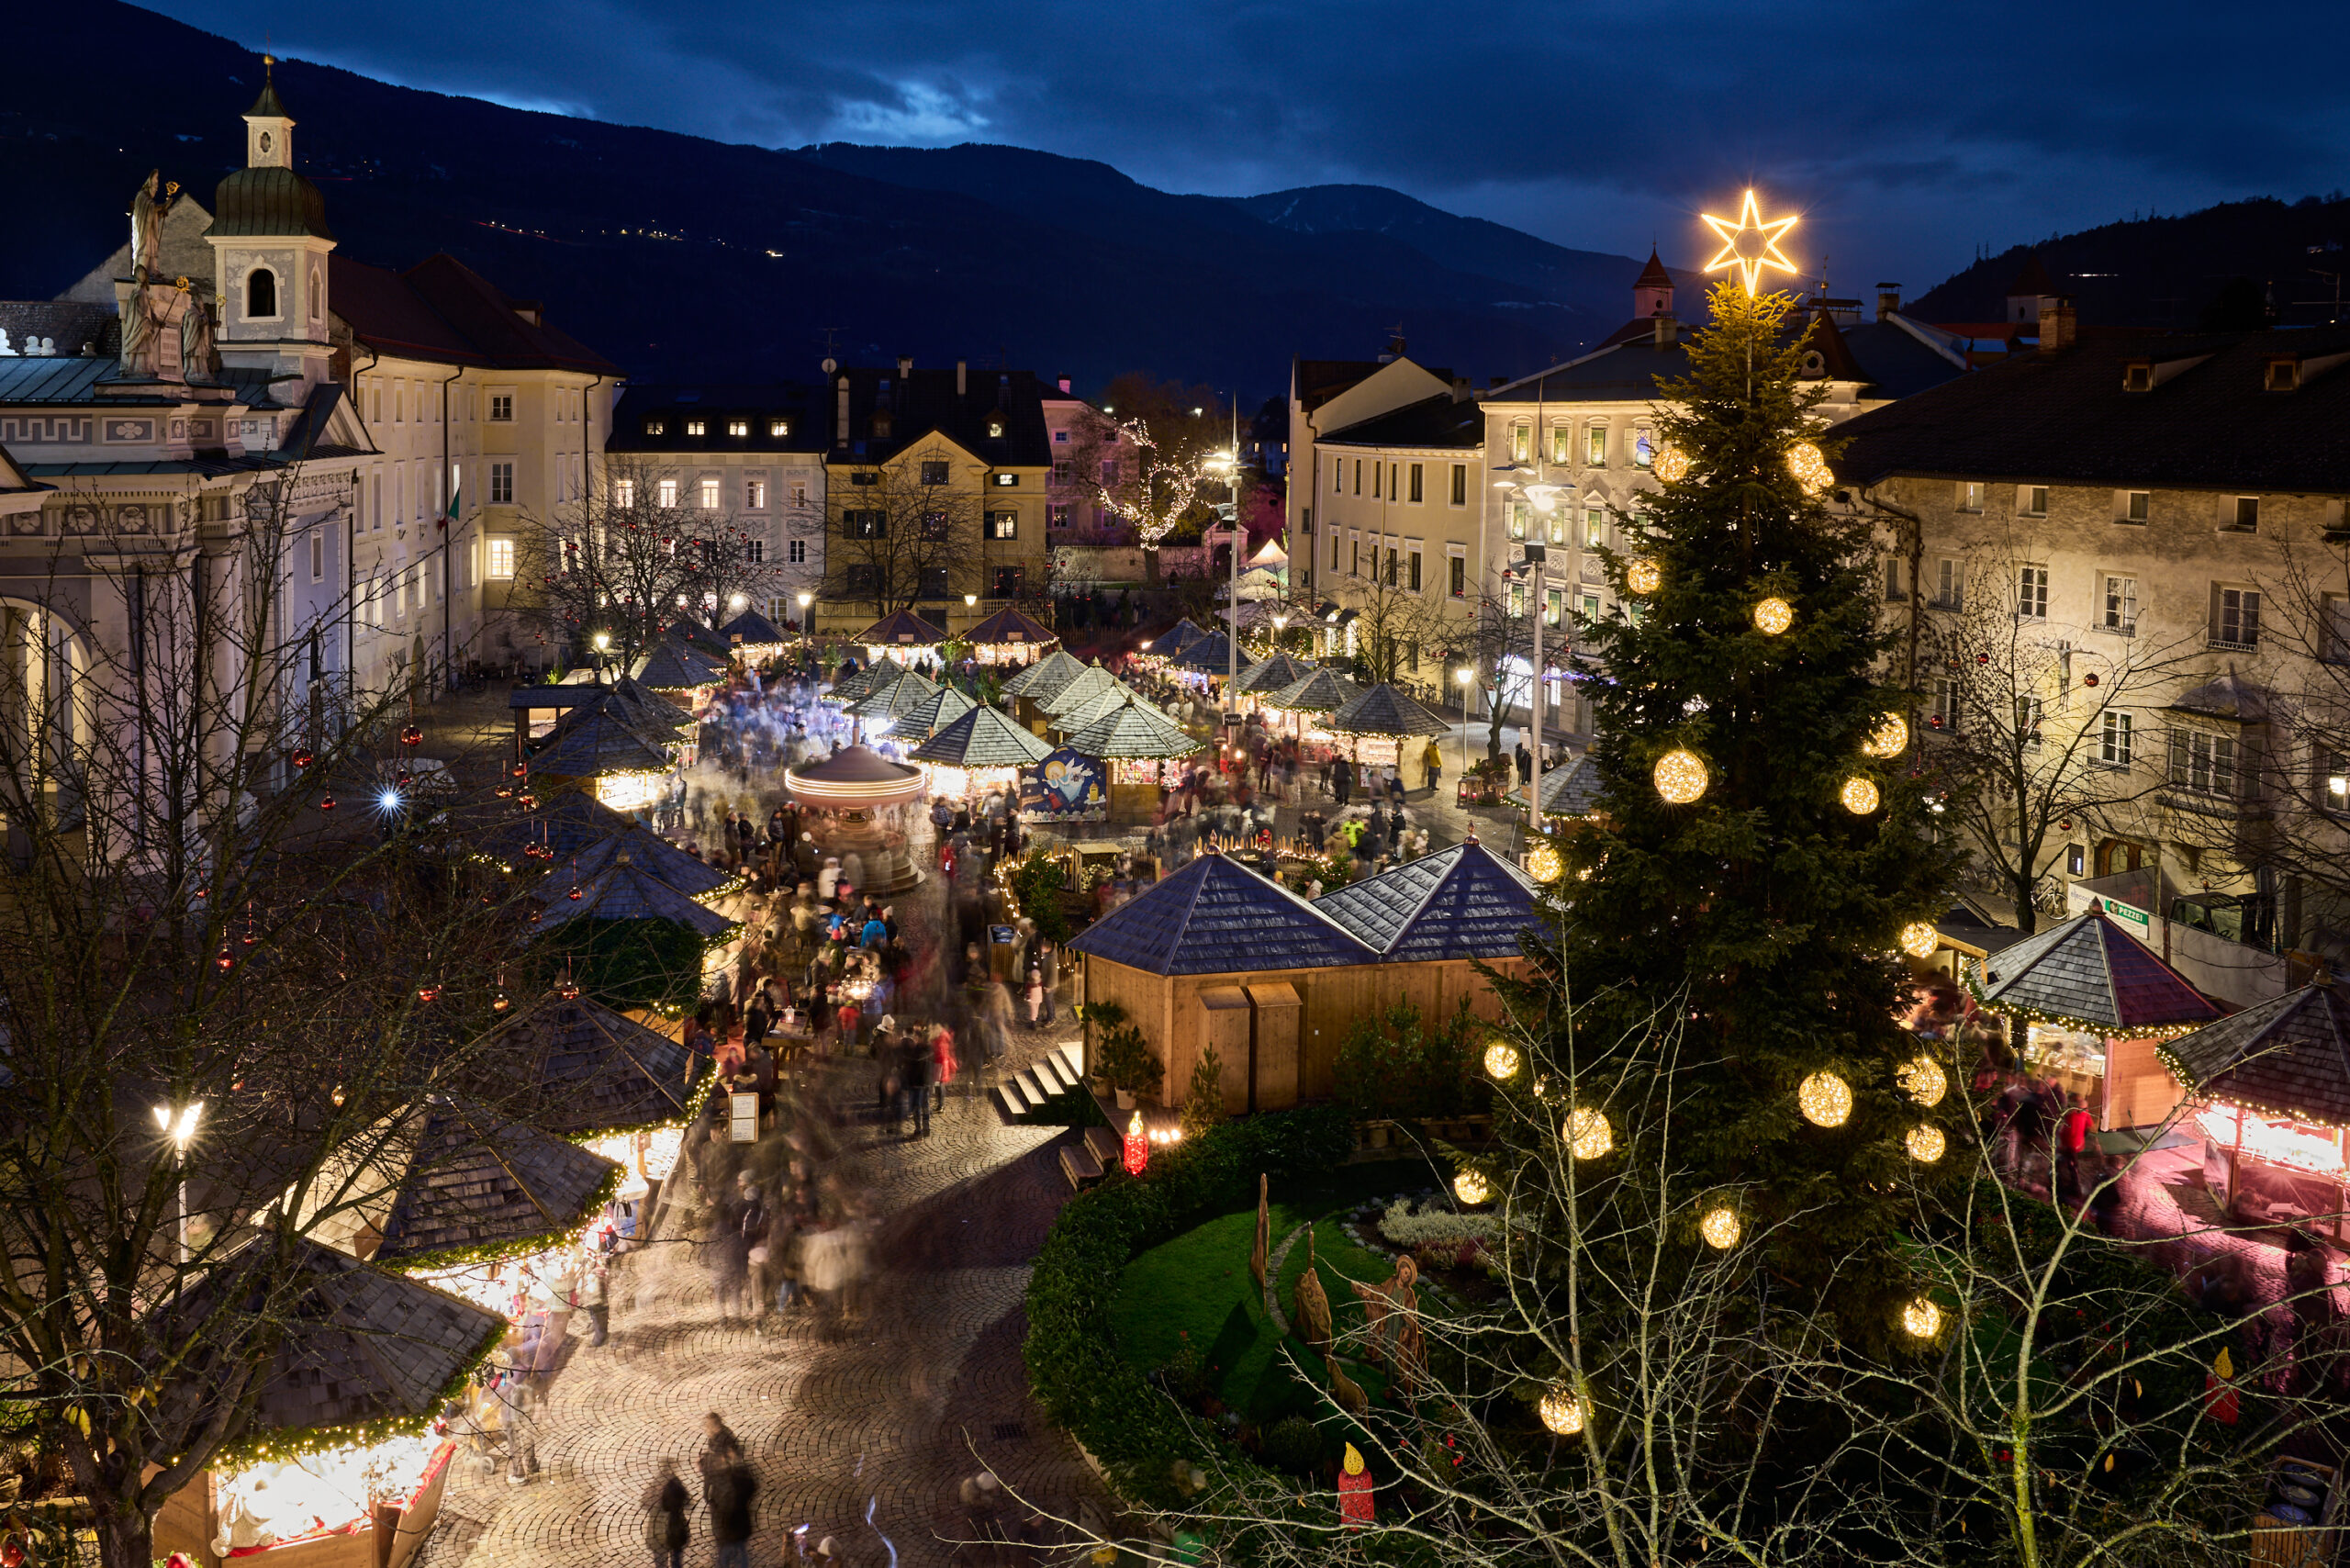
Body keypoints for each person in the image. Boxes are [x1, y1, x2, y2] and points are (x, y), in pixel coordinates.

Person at [707, 1456, 758, 1568]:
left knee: (727, 1558)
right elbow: (751, 1486)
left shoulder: (723, 1484)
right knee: (739, 1555)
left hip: (728, 1530)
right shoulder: (738, 1478)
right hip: (738, 1528)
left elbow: (711, 1500)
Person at [643, 1458, 690, 1568]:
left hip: (657, 1530)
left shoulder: (656, 1483)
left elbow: (644, 1503)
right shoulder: (676, 1484)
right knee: (676, 1560)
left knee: (660, 1562)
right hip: (675, 1528)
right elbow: (688, 1502)